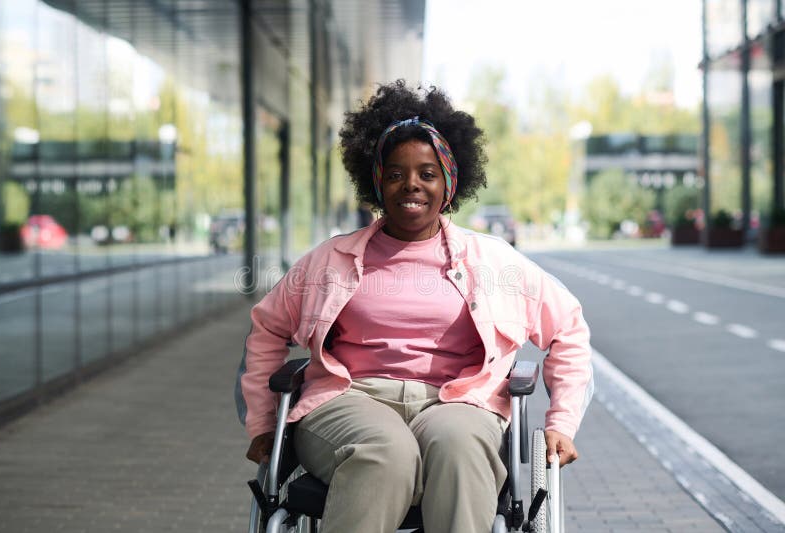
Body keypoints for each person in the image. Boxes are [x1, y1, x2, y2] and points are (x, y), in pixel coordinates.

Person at [236, 80, 593, 533]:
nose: (411, 185)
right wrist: (264, 422)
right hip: (350, 399)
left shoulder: (493, 261)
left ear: (449, 184)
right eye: (395, 173)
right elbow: (267, 328)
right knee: (385, 452)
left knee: (460, 448)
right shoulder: (329, 260)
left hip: (462, 400)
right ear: (377, 181)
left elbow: (568, 328)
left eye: (427, 173)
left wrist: (561, 421)